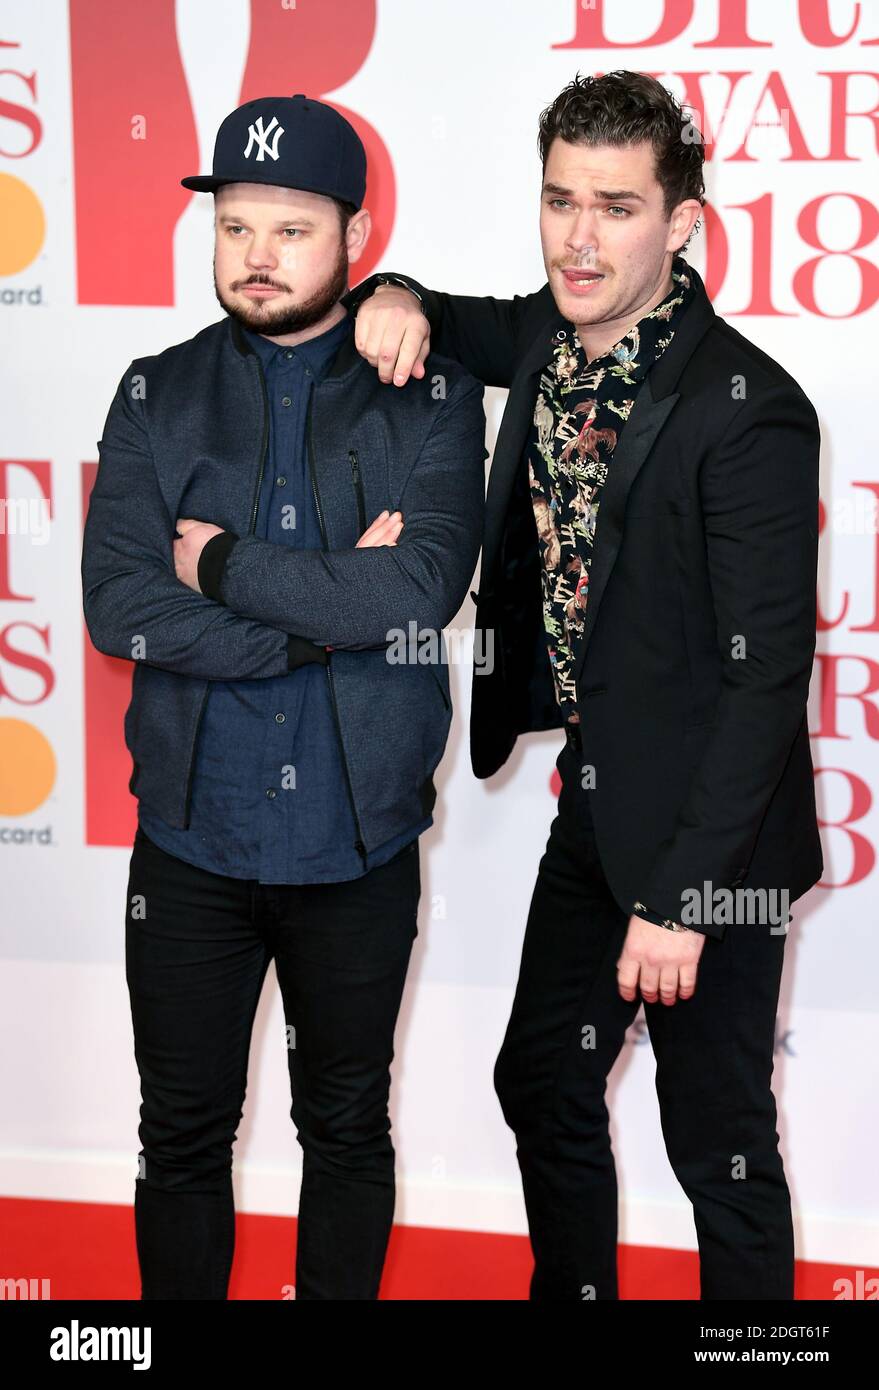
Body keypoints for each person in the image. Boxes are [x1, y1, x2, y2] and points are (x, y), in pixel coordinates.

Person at [343, 70, 823, 1300]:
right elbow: (449, 317)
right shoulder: (549, 334)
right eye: (560, 201)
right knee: (543, 1081)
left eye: (615, 207)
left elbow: (764, 684)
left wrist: (679, 901)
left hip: (715, 843)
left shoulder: (751, 410)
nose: (578, 237)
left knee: (718, 1139)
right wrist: (391, 293)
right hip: (601, 808)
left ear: (684, 225)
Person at [81, 94, 486, 1300]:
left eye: (292, 228)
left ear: (355, 238)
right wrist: (315, 630)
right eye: (238, 226)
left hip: (357, 845)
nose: (257, 254)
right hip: (192, 842)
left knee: (348, 1131)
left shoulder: (431, 397)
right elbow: (118, 606)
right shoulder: (154, 392)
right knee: (182, 1135)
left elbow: (414, 592)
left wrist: (214, 565)